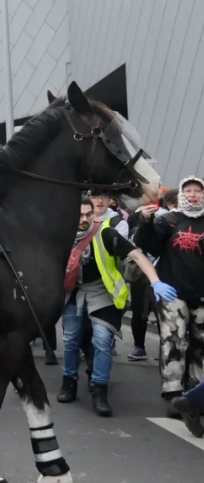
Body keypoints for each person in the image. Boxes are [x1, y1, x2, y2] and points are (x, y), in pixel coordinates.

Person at [58, 195, 169, 416]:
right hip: (73, 294)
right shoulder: (61, 235)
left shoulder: (106, 232)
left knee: (102, 340)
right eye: (79, 215)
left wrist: (156, 281)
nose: (84, 219)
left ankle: (99, 388)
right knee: (70, 340)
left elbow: (136, 255)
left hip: (104, 294)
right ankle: (68, 382)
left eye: (88, 214)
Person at [133, 176, 204, 420]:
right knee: (173, 341)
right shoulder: (169, 220)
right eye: (189, 190)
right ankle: (173, 395)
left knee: (200, 346)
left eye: (198, 191)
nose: (194, 194)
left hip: (202, 294)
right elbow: (148, 245)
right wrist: (145, 222)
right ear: (182, 193)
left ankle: (195, 397)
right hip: (172, 292)